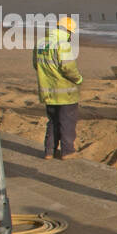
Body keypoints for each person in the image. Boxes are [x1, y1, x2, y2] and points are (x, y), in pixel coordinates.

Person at [33, 15, 83, 160]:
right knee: (67, 120)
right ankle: (68, 151)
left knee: (53, 120)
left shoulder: (41, 43)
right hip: (65, 93)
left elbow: (36, 64)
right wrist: (79, 79)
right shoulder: (63, 44)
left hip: (48, 91)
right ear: (68, 31)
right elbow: (68, 68)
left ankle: (49, 151)